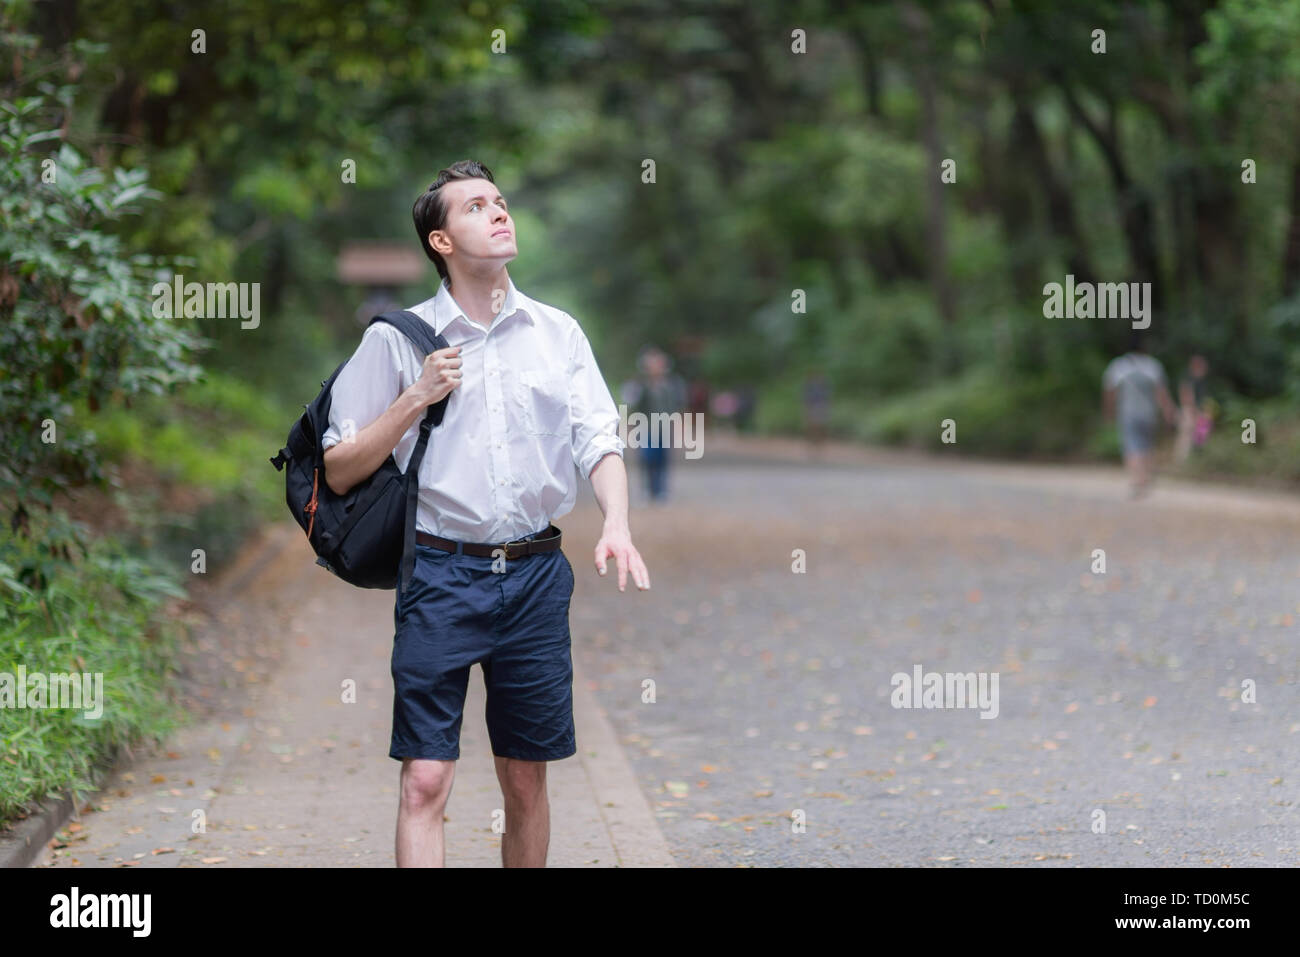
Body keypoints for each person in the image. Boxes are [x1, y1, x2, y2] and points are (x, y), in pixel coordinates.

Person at [320, 160, 650, 868]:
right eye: (475, 206)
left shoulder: (557, 333)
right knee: (425, 778)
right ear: (441, 241)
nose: (499, 212)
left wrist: (617, 522)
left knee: (525, 780)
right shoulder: (396, 339)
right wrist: (414, 397)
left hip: (534, 576)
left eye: (501, 201)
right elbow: (340, 466)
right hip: (440, 574)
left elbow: (599, 438)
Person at [1102, 332, 1177, 497]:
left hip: (1128, 413)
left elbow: (1110, 392)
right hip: (1148, 413)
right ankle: (1146, 478)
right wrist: (1168, 412)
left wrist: (1109, 412)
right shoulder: (1152, 366)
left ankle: (1137, 480)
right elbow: (1161, 394)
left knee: (1132, 446)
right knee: (1147, 444)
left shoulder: (1119, 366)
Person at [629, 345, 687, 503]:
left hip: (665, 428)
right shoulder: (641, 385)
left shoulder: (671, 385)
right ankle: (648, 489)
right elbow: (635, 408)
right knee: (647, 459)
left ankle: (661, 490)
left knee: (663, 459)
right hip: (646, 428)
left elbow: (677, 408)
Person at [1174, 353, 1212, 463]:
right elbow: (1186, 396)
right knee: (1186, 438)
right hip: (1190, 411)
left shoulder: (1201, 380)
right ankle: (1182, 462)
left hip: (1199, 412)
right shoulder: (1188, 379)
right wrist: (1194, 411)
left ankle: (1195, 461)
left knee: (1200, 438)